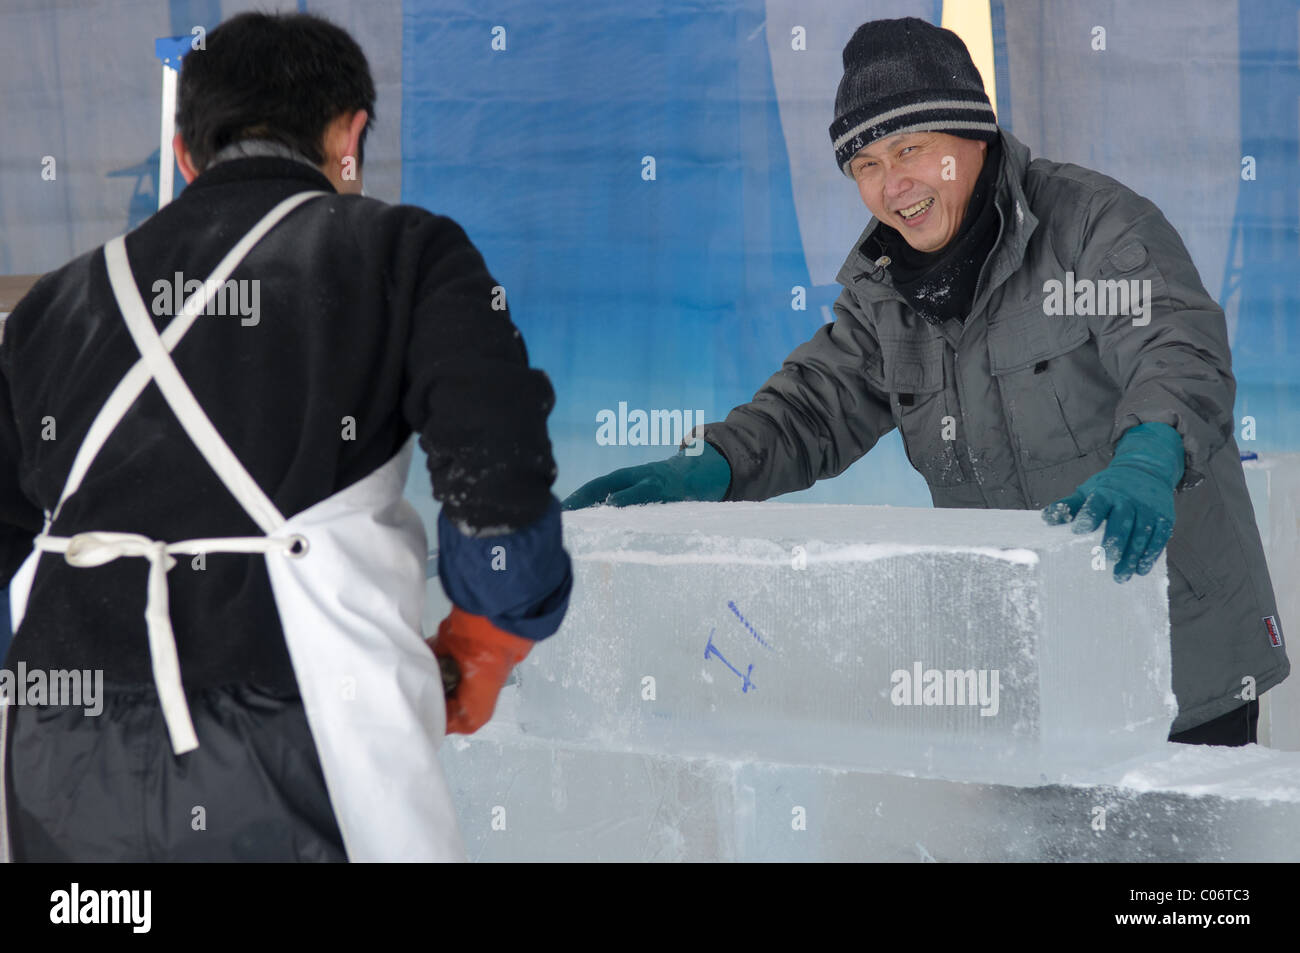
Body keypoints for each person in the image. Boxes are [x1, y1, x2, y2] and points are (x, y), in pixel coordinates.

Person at [565, 17, 1287, 747]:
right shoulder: (885, 293)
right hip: (1020, 679)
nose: (892, 185)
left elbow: (1176, 347)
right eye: (866, 165)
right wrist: (708, 466)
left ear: (975, 137)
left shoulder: (1094, 227)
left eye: (911, 149)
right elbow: (811, 408)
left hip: (1174, 656)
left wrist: (1148, 454)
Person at [0, 11, 571, 862]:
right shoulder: (403, 250)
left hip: (57, 746)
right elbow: (498, 494)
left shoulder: (55, 304)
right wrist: (485, 642)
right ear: (350, 134)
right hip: (289, 729)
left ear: (186, 154)